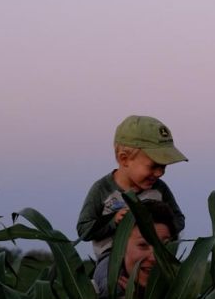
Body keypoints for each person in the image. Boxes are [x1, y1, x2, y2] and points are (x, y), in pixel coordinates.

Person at [77, 115, 188, 290]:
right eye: (153, 166)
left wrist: (155, 226)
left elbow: (179, 220)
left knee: (179, 288)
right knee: (110, 284)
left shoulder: (160, 190)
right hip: (112, 258)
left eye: (164, 167)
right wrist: (114, 221)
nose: (159, 173)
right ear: (124, 159)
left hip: (155, 257)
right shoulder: (102, 190)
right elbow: (84, 229)